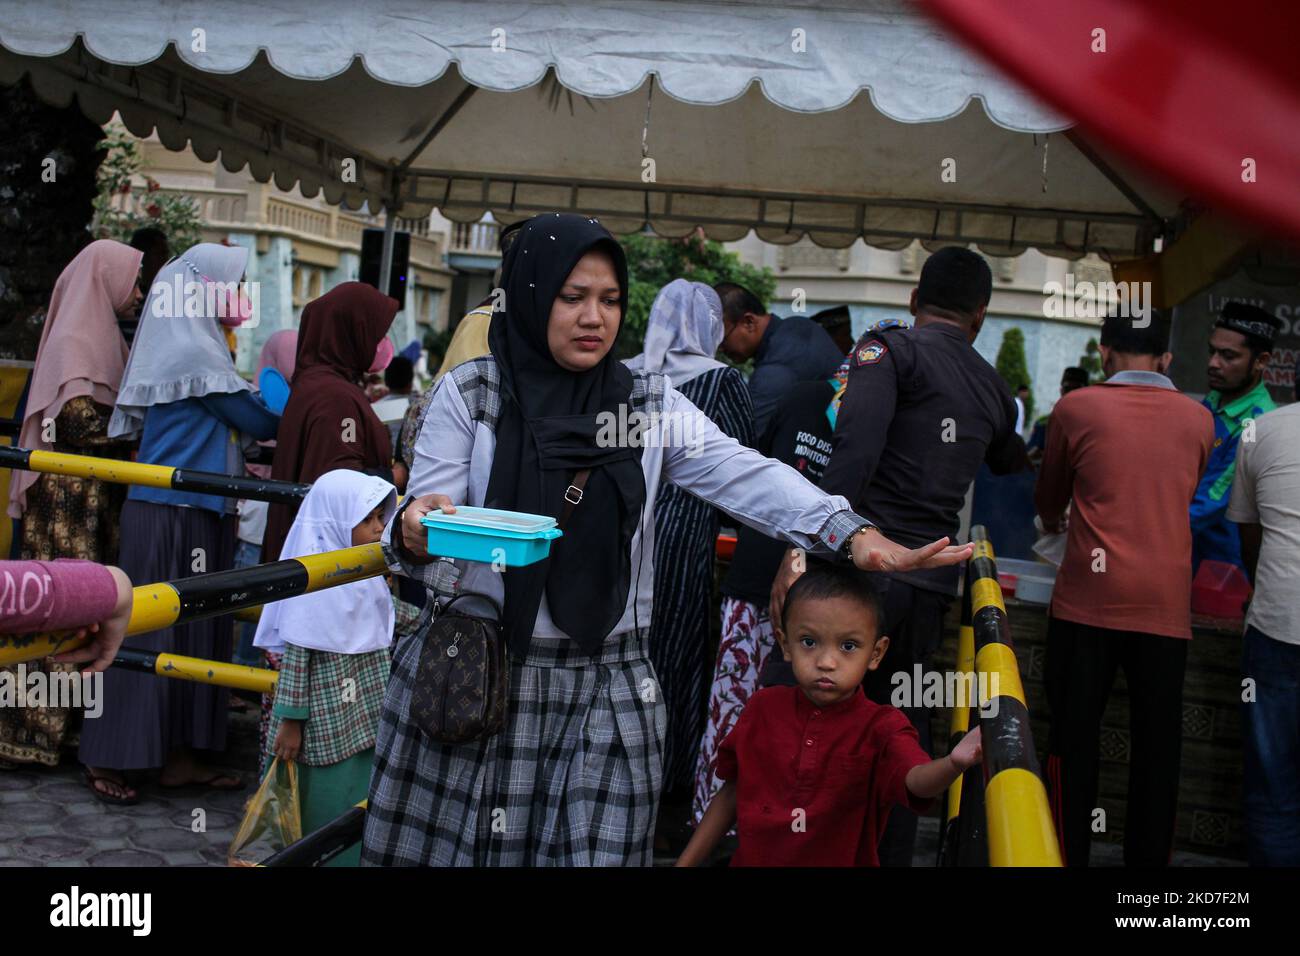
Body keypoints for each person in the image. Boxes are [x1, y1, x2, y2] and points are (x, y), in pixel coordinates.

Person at [361, 213, 971, 867]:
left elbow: (748, 476)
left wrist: (852, 535)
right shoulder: (472, 396)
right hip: (483, 681)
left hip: (606, 689)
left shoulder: (648, 405)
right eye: (572, 297)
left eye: (610, 299)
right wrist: (417, 525)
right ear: (532, 294)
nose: (594, 317)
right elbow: (426, 512)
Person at [769, 247, 1027, 865]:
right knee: (899, 738)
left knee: (804, 725)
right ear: (981, 317)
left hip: (859, 575)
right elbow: (1009, 463)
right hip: (927, 592)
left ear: (914, 300)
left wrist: (808, 545)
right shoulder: (992, 385)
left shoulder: (890, 349)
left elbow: (855, 447)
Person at [77, 243, 281, 804]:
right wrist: (294, 404)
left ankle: (179, 759)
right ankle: (109, 755)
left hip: (199, 510)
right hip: (171, 512)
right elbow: (254, 418)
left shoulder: (197, 343)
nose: (237, 295)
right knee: (148, 630)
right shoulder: (193, 352)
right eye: (229, 283)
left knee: (194, 633)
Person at [1035, 310, 1214, 866]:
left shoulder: (1075, 407)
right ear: (1166, 359)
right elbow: (1179, 494)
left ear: (1104, 352)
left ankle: (1064, 853)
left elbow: (1048, 502)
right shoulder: (1199, 419)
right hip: (1164, 608)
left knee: (1071, 742)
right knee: (1159, 753)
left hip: (1086, 606)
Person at [677, 563, 982, 867]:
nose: (826, 662)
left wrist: (953, 762)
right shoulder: (762, 708)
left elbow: (916, 780)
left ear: (875, 654)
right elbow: (732, 792)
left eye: (848, 646)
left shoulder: (883, 727)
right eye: (809, 642)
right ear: (785, 644)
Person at [2, 239, 143, 771]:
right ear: (105, 278)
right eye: (132, 279)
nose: (138, 293)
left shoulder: (103, 336)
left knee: (88, 611)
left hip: (92, 496)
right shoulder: (74, 338)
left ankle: (63, 731)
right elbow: (76, 421)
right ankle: (30, 734)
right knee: (58, 605)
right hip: (64, 499)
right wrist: (137, 427)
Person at [624, 279, 754, 820]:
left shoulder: (628, 372)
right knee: (674, 667)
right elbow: (741, 469)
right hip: (684, 540)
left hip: (626, 531)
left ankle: (618, 781)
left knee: (626, 657)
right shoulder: (723, 380)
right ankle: (666, 797)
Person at [691, 373, 837, 826]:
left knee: (761, 721)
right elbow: (752, 470)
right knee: (740, 717)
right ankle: (723, 830)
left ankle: (742, 830)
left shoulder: (823, 400)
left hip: (805, 599)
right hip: (766, 585)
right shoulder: (813, 397)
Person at [258, 470, 398, 866]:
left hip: (364, 718)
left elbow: (385, 618)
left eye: (380, 518)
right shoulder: (313, 582)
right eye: (368, 519)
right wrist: (290, 720)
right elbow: (297, 656)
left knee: (359, 794)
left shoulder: (366, 574)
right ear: (337, 519)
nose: (378, 528)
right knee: (325, 805)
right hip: (320, 729)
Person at [262, 282, 399, 564]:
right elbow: (343, 491)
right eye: (376, 335)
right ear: (352, 333)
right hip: (331, 570)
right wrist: (398, 475)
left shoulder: (318, 383)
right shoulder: (335, 397)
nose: (382, 344)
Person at [1227, 357, 1300, 866]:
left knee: (1273, 786)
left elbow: (1248, 534)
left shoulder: (1261, 431)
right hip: (1275, 630)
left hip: (1277, 627)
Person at [1190, 302, 1281, 574]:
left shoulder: (1257, 422)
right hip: (1185, 552)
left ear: (1261, 361)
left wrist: (1146, 533)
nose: (1213, 363)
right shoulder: (1213, 401)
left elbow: (1212, 499)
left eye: (1228, 356)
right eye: (1212, 351)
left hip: (1220, 569)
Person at [231, 330, 298, 671]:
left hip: (272, 507)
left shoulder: (294, 396)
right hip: (256, 506)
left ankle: (249, 663)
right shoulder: (256, 399)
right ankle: (241, 663)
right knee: (248, 586)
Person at [715, 282, 843, 436]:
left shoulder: (775, 369)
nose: (720, 348)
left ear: (749, 322)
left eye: (721, 338)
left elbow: (746, 440)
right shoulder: (799, 324)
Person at [1027, 366, 1089, 460]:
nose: (1071, 394)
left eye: (1076, 389)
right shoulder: (1043, 424)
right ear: (1061, 391)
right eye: (1068, 389)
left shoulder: (1092, 425)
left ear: (1086, 392)